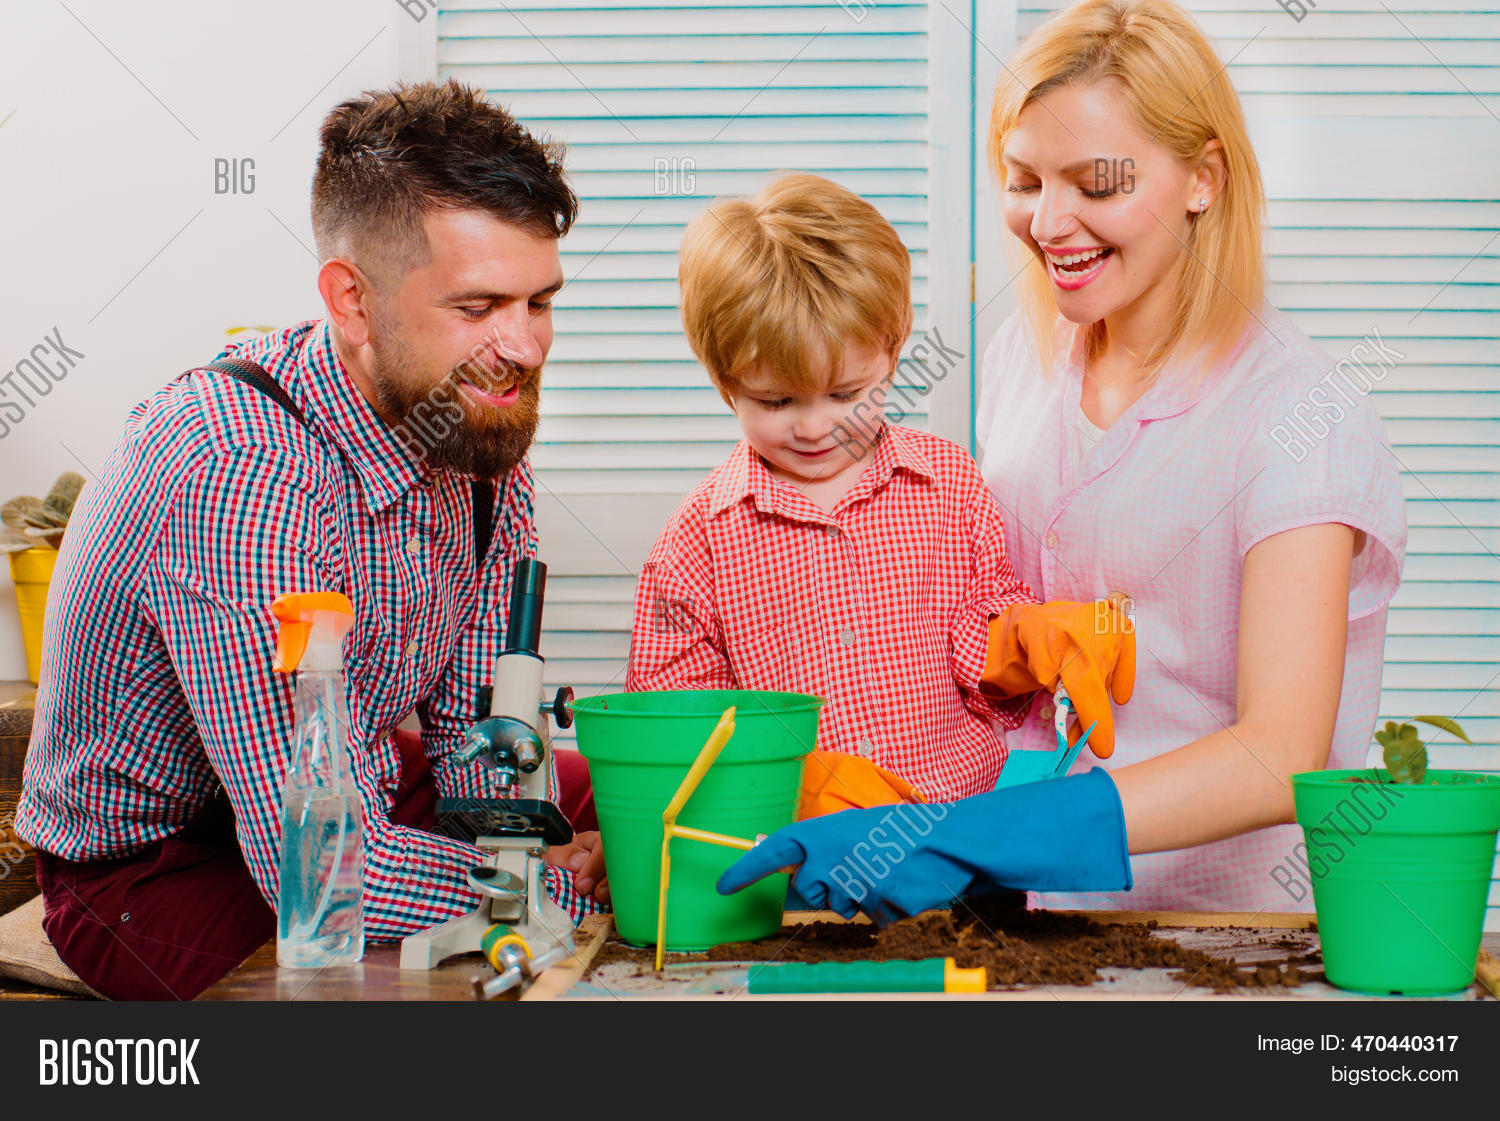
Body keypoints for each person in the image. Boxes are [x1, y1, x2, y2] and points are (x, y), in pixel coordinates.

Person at [719, 0, 1404, 919]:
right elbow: (968, 617)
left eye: (1095, 183)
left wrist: (972, 830)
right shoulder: (1024, 361)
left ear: (1203, 178)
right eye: (1024, 179)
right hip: (1018, 918)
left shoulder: (1297, 417)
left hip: (1216, 929)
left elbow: (1279, 752)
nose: (1048, 222)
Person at [17, 80, 607, 1000]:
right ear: (353, 300)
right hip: (161, 866)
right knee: (388, 988)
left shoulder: (477, 429)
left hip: (348, 776)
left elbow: (472, 745)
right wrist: (540, 887)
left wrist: (531, 837)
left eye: (539, 302)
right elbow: (328, 867)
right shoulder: (242, 470)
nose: (525, 346)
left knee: (623, 805)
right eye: (479, 305)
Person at [627, 172, 1134, 817]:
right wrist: (784, 785)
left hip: (960, 852)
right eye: (776, 400)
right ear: (725, 380)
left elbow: (984, 652)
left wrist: (1024, 638)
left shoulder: (948, 485)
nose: (816, 427)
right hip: (786, 879)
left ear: (893, 351)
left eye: (845, 394)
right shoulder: (693, 550)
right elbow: (672, 740)